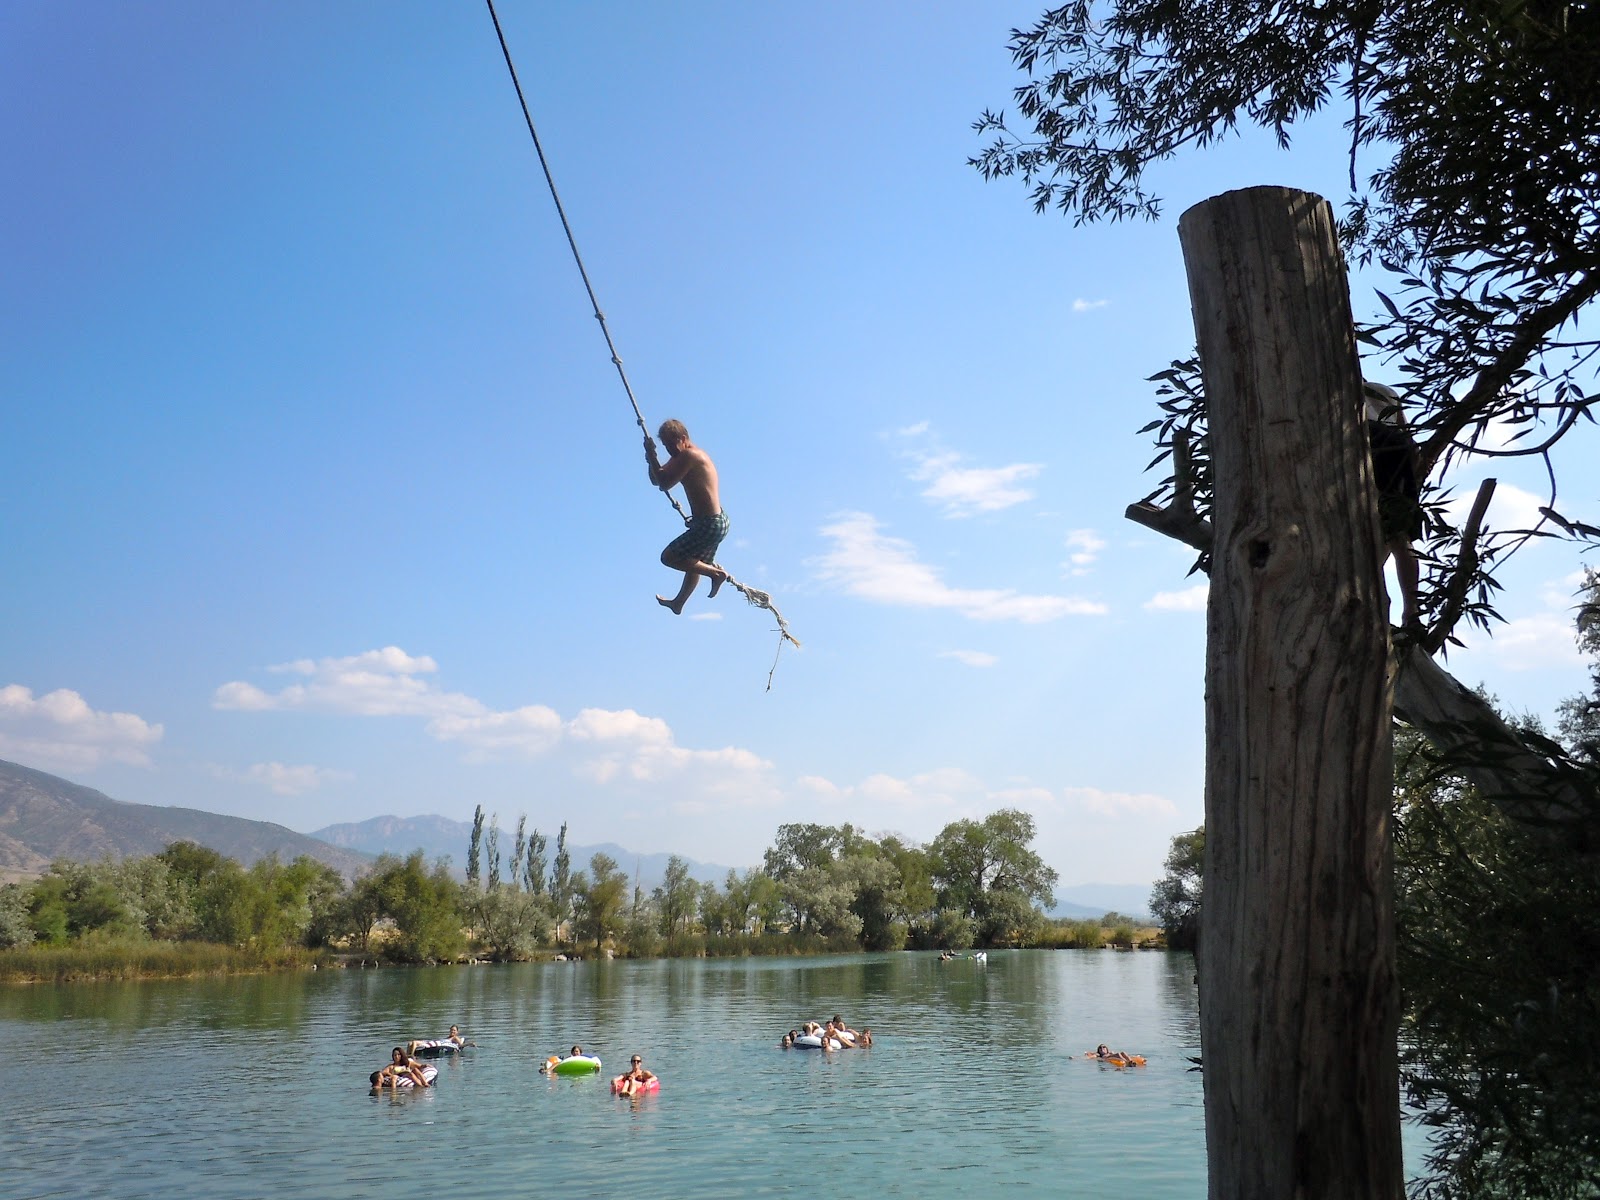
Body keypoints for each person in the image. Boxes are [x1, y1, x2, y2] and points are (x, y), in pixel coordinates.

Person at [644, 419, 729, 614]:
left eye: (671, 444)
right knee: (694, 563)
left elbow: (664, 483)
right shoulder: (680, 456)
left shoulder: (690, 455)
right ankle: (679, 603)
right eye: (665, 446)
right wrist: (651, 458)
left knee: (669, 557)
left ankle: (716, 574)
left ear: (683, 439)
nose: (669, 450)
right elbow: (655, 480)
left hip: (709, 524)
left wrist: (651, 454)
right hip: (713, 521)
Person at [1364, 380, 1424, 631]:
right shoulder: (1385, 390)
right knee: (1399, 537)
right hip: (1398, 450)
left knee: (1364, 530)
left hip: (1369, 446)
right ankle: (1412, 609)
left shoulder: (1333, 385)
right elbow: (1407, 434)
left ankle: (1376, 604)